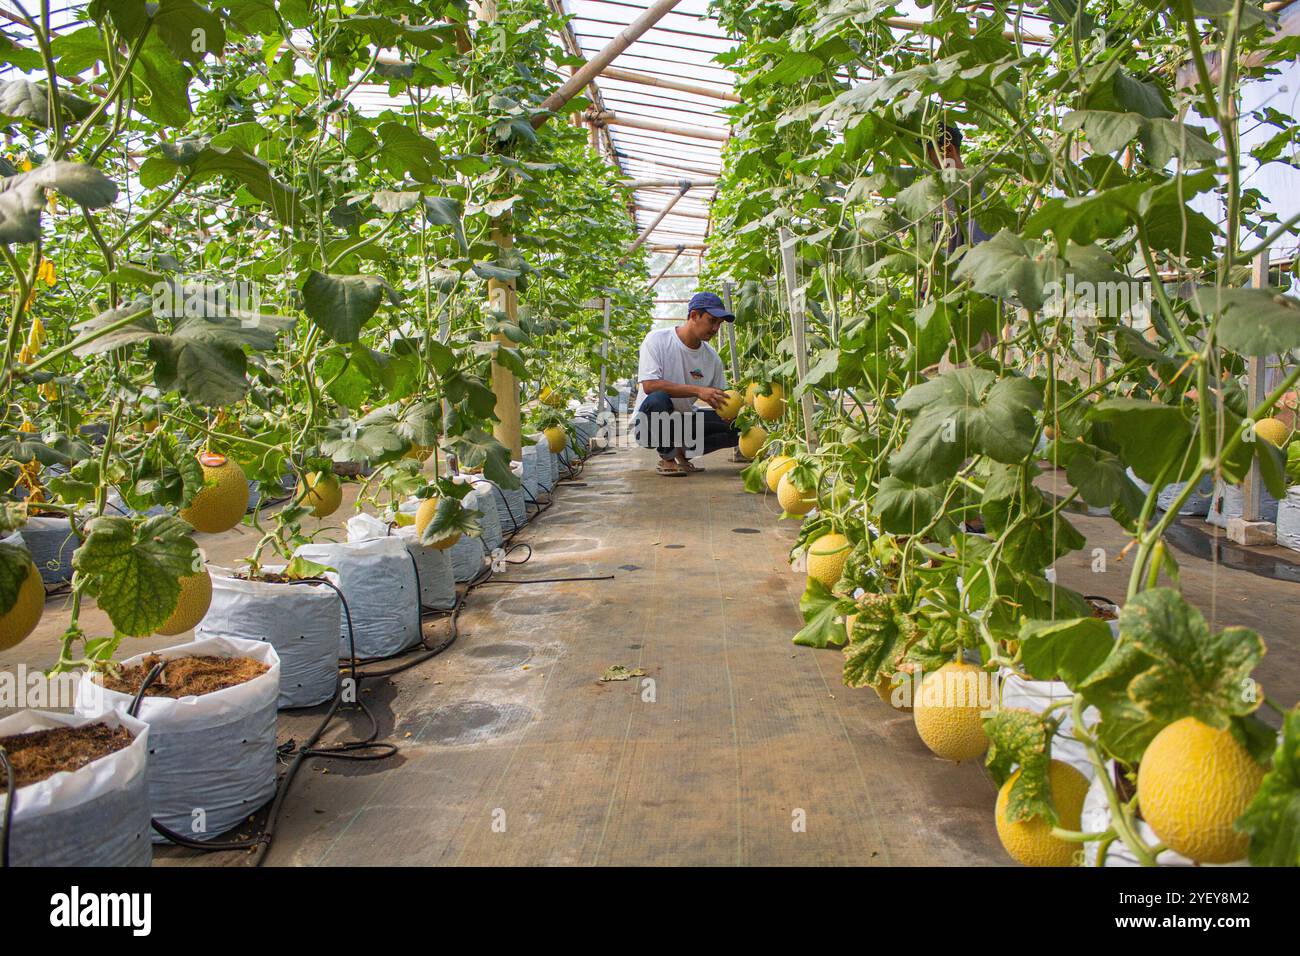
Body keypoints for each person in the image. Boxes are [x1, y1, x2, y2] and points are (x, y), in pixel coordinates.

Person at [632, 292, 739, 476]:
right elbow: (649, 385)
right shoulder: (657, 340)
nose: (715, 328)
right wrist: (698, 391)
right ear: (693, 316)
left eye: (719, 324)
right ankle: (667, 457)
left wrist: (731, 410)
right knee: (659, 398)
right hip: (648, 425)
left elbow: (722, 397)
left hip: (682, 422)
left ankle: (683, 452)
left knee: (737, 428)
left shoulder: (712, 358)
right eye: (711, 321)